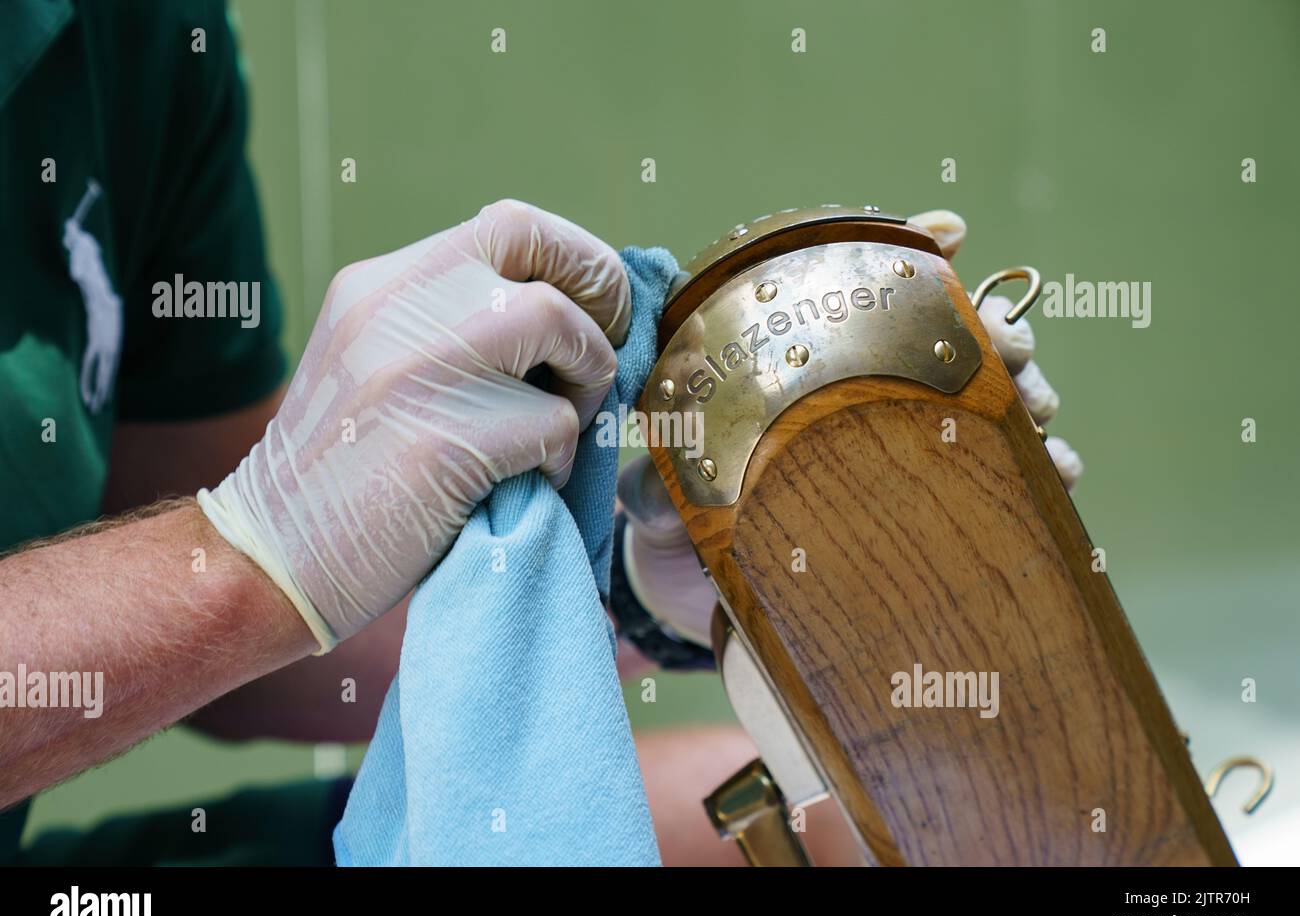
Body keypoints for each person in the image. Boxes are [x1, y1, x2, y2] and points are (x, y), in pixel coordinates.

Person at [0, 0, 1079, 866]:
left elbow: (231, 650)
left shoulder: (133, 31)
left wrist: (642, 582)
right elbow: (240, 576)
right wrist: (247, 555)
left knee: (853, 820)